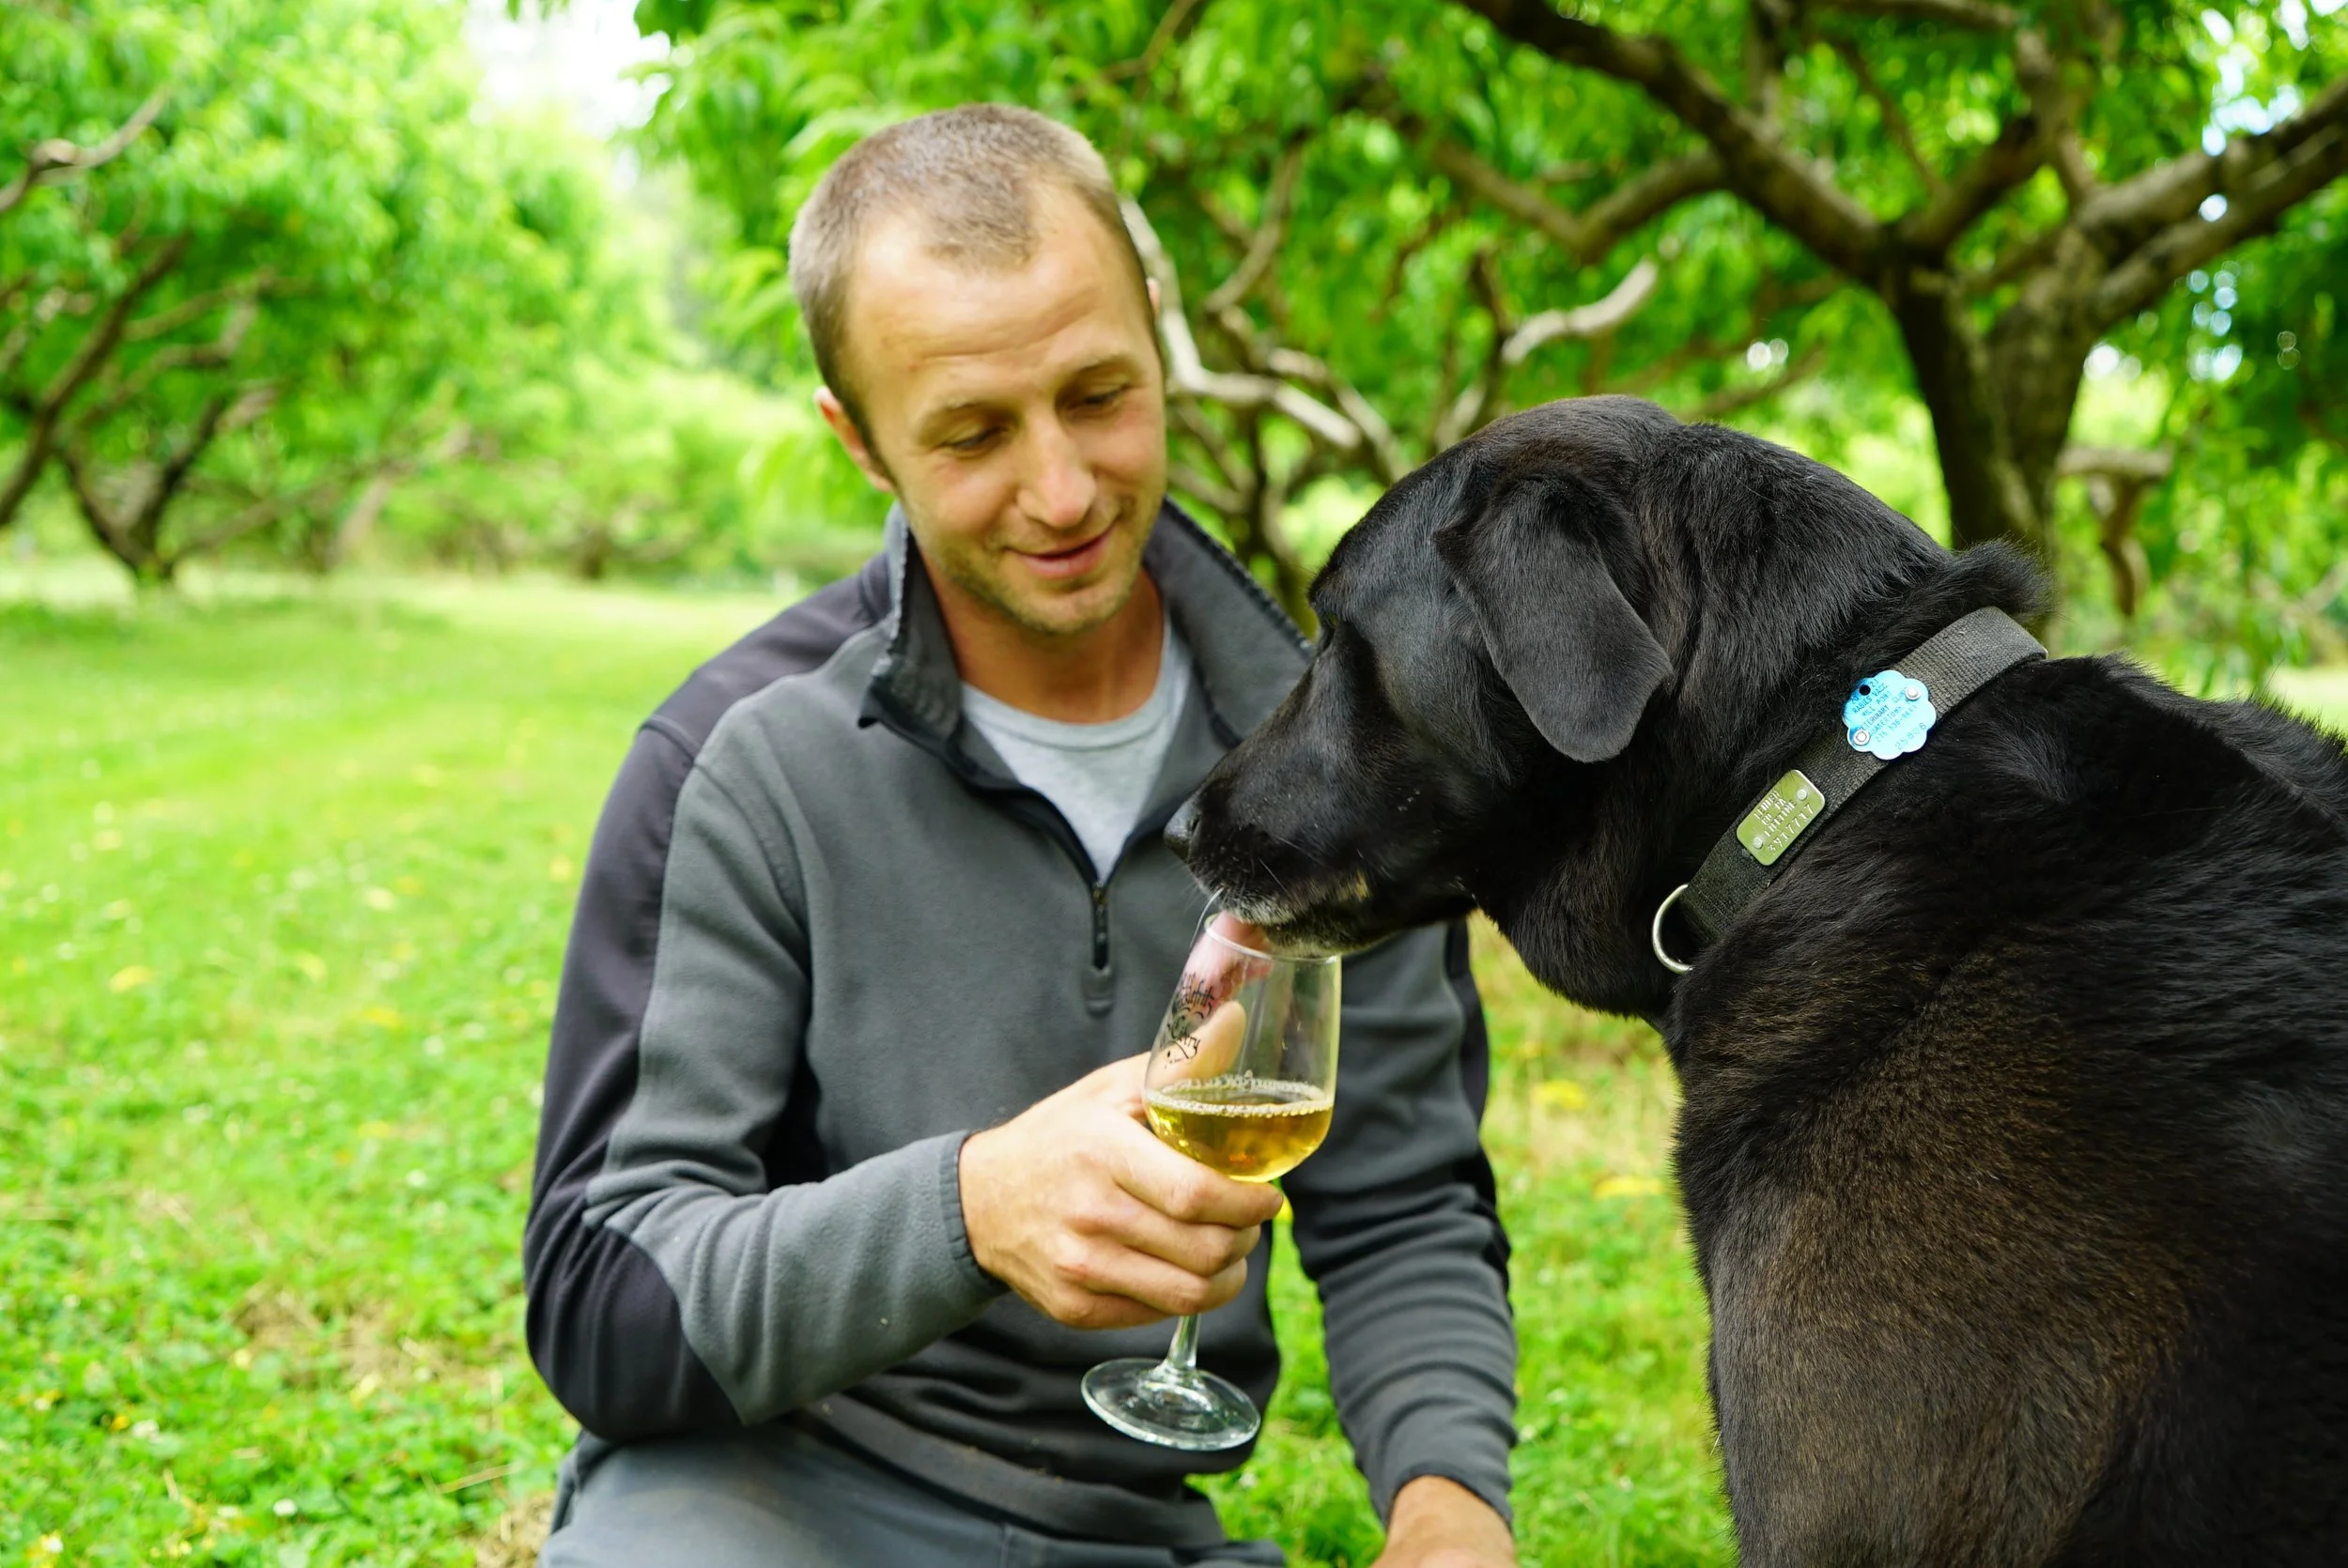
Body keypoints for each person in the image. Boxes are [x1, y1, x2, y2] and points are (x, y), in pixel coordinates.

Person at [523, 104, 1517, 1568]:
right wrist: (970, 1208)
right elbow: (606, 1299)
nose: (1062, 491)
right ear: (860, 440)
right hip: (762, 1504)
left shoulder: (1349, 766)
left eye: (1099, 394)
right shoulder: (735, 763)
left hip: (1128, 1532)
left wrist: (1449, 1506)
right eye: (974, 432)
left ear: (1160, 335)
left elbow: (1405, 1208)